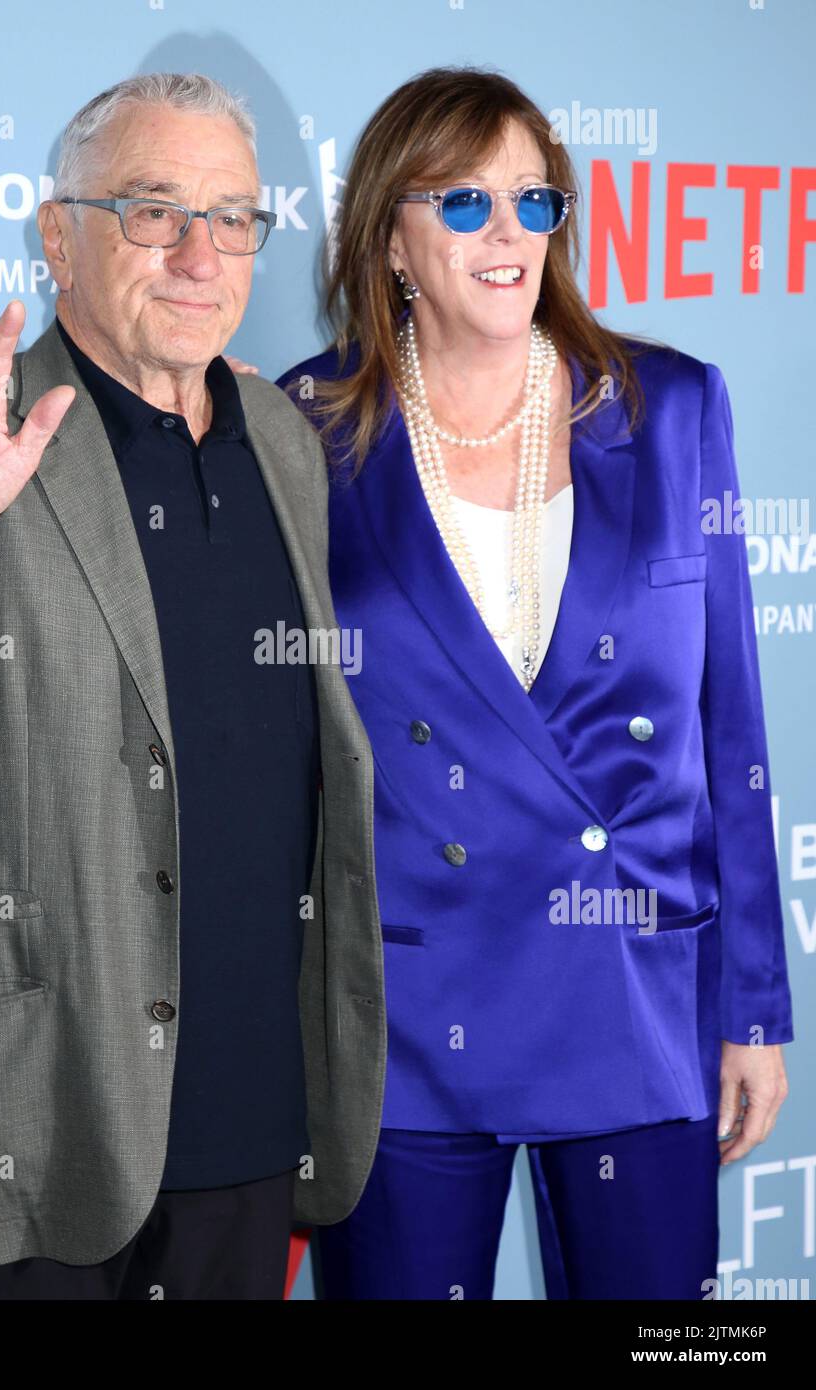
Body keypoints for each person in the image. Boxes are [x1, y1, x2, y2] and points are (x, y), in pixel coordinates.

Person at [0, 72, 384, 1300]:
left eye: (231, 217)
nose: (196, 253)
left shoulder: (283, 441)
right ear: (58, 234)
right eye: (152, 209)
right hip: (23, 1122)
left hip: (242, 1120)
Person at [278, 65, 792, 1300]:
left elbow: (731, 734)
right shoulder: (302, 426)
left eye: (534, 200)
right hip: (406, 1012)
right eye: (462, 203)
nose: (507, 235)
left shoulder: (669, 407)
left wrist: (754, 1005)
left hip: (635, 992)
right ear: (390, 240)